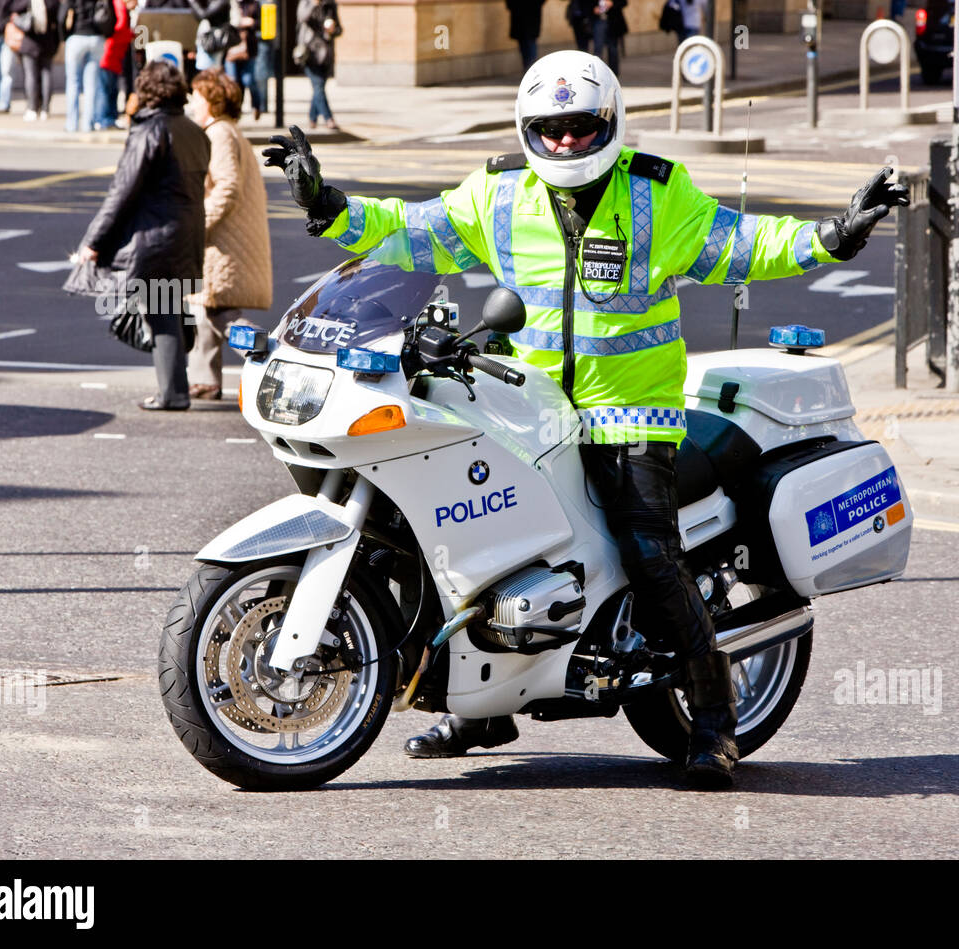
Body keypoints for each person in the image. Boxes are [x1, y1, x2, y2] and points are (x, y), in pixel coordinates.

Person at [262, 50, 906, 789]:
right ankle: (481, 707)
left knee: (649, 554)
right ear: (528, 129)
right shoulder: (500, 194)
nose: (565, 141)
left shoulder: (655, 194)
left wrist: (833, 235)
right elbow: (410, 230)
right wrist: (325, 203)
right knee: (461, 534)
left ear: (609, 123)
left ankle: (713, 722)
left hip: (627, 412)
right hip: (520, 403)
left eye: (579, 126)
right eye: (551, 129)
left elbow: (741, 245)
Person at [79, 60, 210, 410]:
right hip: (186, 232)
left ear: (147, 91)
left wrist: (94, 242)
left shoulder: (150, 131)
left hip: (155, 235)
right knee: (168, 306)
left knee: (160, 310)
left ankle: (173, 393)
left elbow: (122, 191)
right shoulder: (193, 130)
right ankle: (175, 387)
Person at [185, 68, 272, 400]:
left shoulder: (218, 134)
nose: (192, 102)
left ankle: (268, 355)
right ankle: (205, 380)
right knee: (206, 306)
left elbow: (227, 188)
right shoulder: (231, 131)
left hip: (223, 241)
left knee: (218, 311)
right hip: (232, 238)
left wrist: (198, 223)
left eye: (197, 96)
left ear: (213, 102)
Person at [60, 0, 107, 132]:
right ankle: (88, 124)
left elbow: (62, 15)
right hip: (96, 37)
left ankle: (71, 124)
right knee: (91, 85)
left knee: (73, 82)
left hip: (77, 36)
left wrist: (64, 37)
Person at [8, 0, 58, 121]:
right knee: (46, 74)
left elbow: (12, 8)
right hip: (48, 41)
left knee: (31, 76)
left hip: (30, 41)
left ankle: (32, 108)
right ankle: (45, 109)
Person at [295, 0, 338, 129]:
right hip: (310, 53)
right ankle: (328, 118)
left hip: (325, 55)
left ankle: (312, 118)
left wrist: (333, 29)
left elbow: (339, 29)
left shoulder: (330, 5)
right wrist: (314, 5)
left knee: (318, 88)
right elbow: (302, 17)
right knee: (318, 86)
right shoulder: (306, 3)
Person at [94, 0, 132, 129]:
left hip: (114, 56)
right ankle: (103, 119)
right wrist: (132, 34)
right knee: (106, 89)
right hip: (110, 55)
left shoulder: (117, 4)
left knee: (111, 89)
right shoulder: (119, 5)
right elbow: (120, 27)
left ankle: (109, 118)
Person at [223, 0, 264, 120]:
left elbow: (261, 23)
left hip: (249, 50)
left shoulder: (253, 4)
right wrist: (236, 23)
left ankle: (256, 106)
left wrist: (250, 22)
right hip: (230, 49)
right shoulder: (227, 4)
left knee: (249, 80)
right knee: (233, 81)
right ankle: (236, 110)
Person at [188, 0, 232, 71]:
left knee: (210, 72)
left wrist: (192, 1)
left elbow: (203, 15)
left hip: (214, 43)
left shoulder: (221, 1)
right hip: (206, 40)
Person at [504, 0, 543, 71]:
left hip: (531, 15)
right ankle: (528, 68)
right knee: (523, 44)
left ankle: (531, 69)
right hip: (520, 15)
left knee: (530, 43)